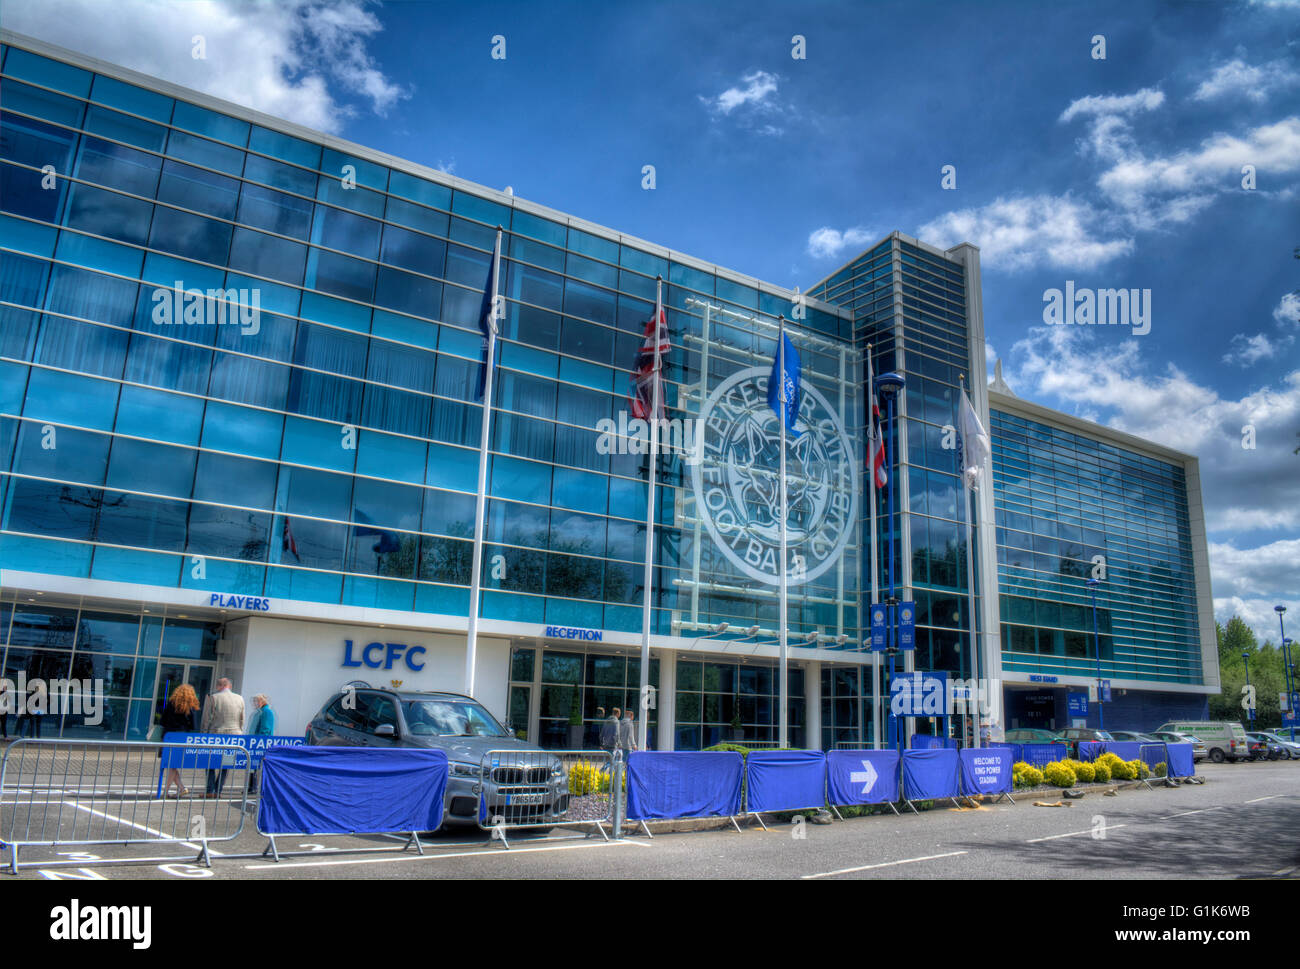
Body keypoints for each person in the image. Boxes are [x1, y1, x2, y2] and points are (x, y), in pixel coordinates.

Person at [200, 678, 244, 797]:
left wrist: (203, 734)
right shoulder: (240, 698)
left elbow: (206, 719)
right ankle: (218, 790)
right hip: (235, 736)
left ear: (219, 686)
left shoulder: (213, 697)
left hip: (216, 734)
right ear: (229, 686)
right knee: (226, 764)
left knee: (210, 762)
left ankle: (210, 790)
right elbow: (241, 719)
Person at [160, 684, 200, 798]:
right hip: (182, 738)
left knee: (171, 765)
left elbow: (162, 721)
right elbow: (193, 725)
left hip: (169, 736)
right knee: (173, 765)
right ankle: (180, 788)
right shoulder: (191, 707)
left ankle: (168, 791)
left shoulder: (171, 704)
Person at [246, 694, 275, 794]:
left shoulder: (266, 712)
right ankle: (251, 786)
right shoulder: (260, 712)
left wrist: (258, 741)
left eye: (256, 701)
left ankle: (255, 786)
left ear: (262, 701)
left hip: (260, 743)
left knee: (257, 765)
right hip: (255, 741)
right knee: (253, 765)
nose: (254, 703)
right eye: (254, 701)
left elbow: (265, 729)